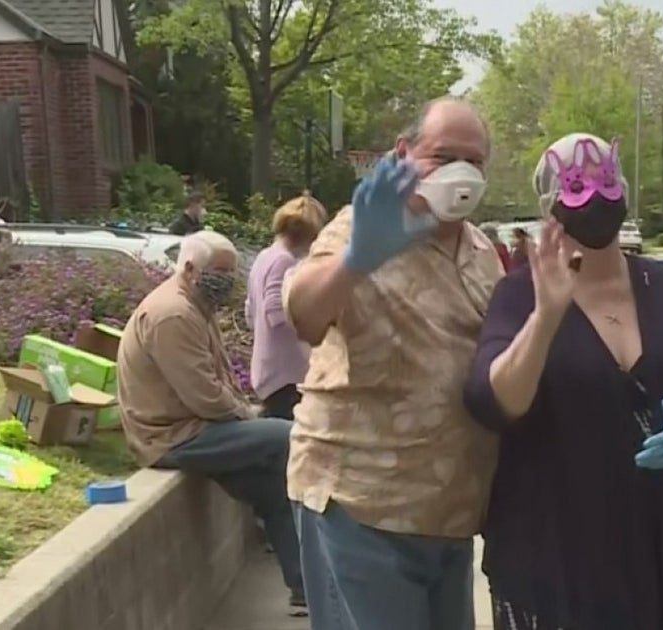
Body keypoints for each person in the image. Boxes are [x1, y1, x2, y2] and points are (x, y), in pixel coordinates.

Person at [464, 133, 663, 630]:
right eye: (577, 188)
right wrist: (547, 317)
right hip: (561, 563)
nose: (595, 201)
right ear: (552, 207)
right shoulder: (518, 295)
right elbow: (494, 403)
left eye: (605, 184)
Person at [283, 97, 503, 630]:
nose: (460, 173)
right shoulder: (362, 228)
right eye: (443, 155)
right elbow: (304, 312)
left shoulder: (482, 251)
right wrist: (358, 257)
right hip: (362, 506)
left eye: (474, 162)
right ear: (403, 154)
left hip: (449, 517)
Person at [115, 231, 306, 614]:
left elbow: (218, 382)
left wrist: (242, 415)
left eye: (231, 273)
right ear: (189, 268)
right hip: (174, 436)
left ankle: (306, 588)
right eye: (219, 272)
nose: (227, 281)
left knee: (274, 488)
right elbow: (204, 395)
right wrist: (247, 417)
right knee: (287, 435)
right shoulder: (173, 314)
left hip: (196, 427)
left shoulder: (195, 305)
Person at [245, 192, 328, 420]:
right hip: (285, 373)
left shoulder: (264, 256)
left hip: (266, 367)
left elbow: (250, 313)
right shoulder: (285, 261)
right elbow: (275, 313)